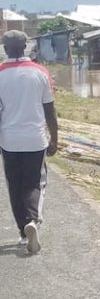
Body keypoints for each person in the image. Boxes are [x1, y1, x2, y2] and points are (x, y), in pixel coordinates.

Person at [0, 30, 58, 254]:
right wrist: (55, 138)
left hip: (8, 140)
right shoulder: (40, 72)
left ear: (5, 49)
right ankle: (33, 221)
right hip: (35, 139)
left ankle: (24, 234)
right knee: (34, 183)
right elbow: (49, 110)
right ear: (26, 47)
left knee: (14, 185)